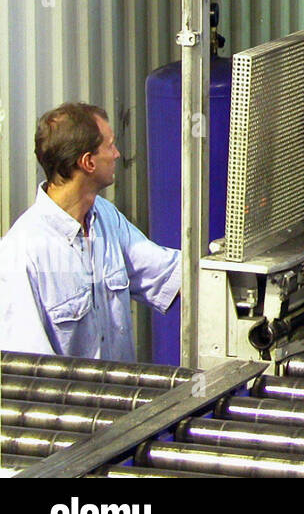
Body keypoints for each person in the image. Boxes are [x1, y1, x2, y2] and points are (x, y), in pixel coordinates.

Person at [0, 102, 180, 361]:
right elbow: (29, 371)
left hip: (124, 398)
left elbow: (168, 274)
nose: (117, 154)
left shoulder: (105, 218)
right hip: (71, 402)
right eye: (109, 145)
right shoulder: (22, 253)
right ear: (88, 162)